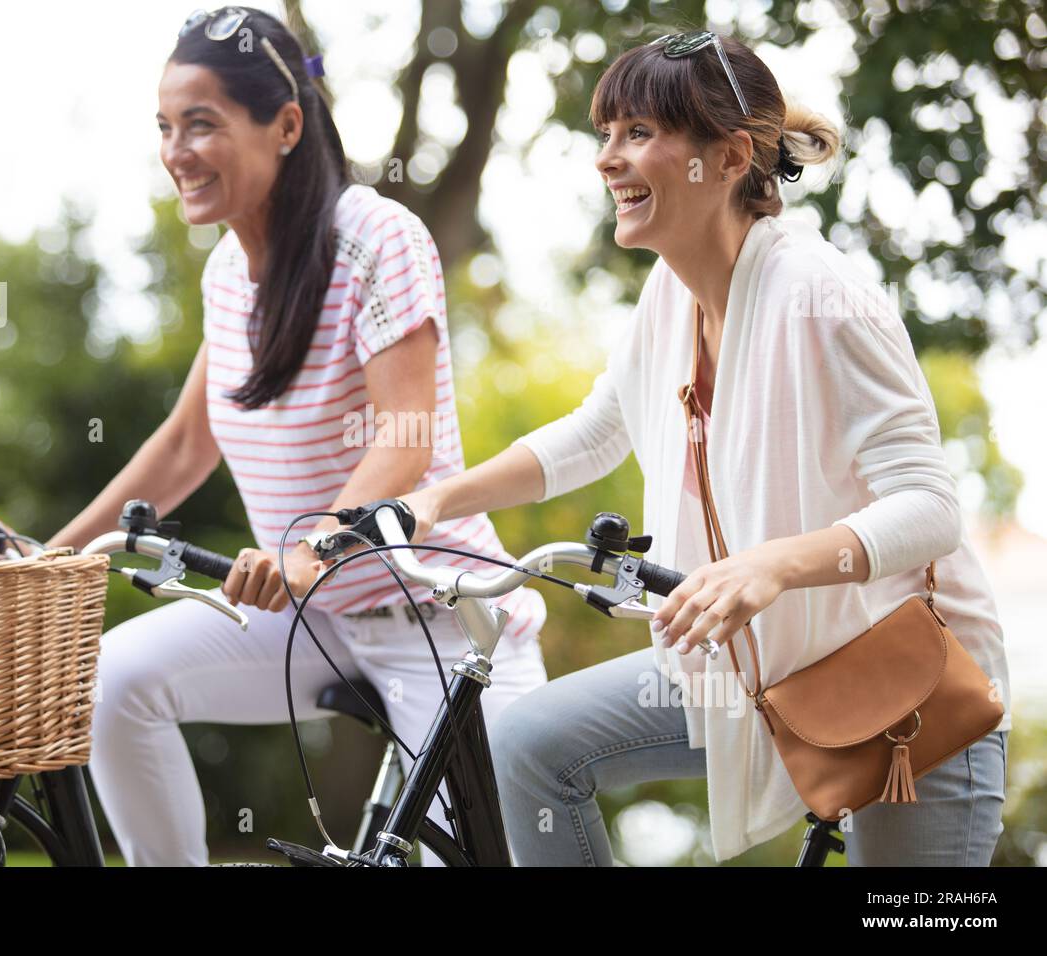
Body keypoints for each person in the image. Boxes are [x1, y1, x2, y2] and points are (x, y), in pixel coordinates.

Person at [398, 30, 1012, 866]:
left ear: (726, 158)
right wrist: (433, 500)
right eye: (604, 135)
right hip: (756, 671)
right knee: (532, 740)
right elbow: (596, 430)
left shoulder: (824, 298)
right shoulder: (670, 295)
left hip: (903, 694)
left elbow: (931, 507)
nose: (608, 159)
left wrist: (772, 566)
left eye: (639, 134)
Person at [45, 7, 547, 866]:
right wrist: (54, 558)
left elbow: (405, 439)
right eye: (165, 127)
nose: (177, 150)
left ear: (283, 125)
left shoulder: (376, 237)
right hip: (315, 619)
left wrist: (311, 546)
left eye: (201, 124)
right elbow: (182, 448)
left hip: (437, 617)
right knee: (112, 680)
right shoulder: (226, 275)